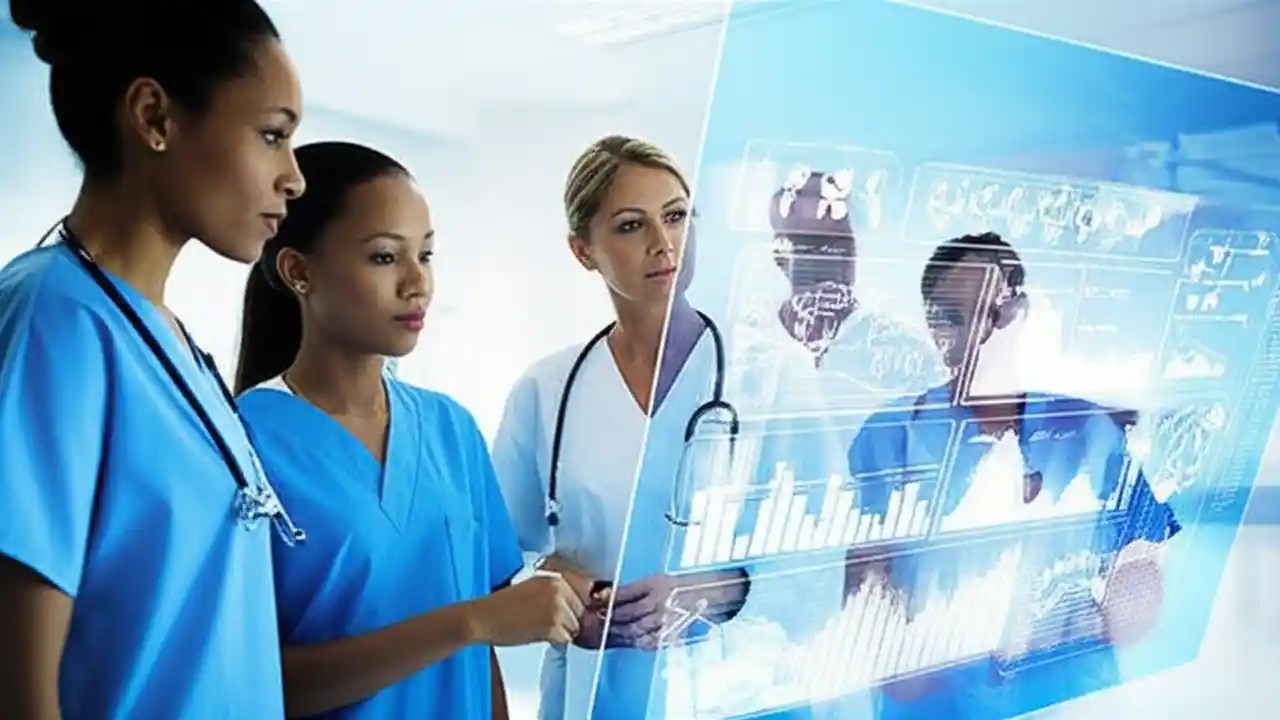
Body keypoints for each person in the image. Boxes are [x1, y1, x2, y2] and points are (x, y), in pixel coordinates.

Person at [0, 2, 306, 717]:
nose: (294, 177)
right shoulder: (55, 319)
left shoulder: (167, 341)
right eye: (271, 135)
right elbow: (17, 684)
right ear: (155, 117)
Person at [232, 141, 587, 719]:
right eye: (383, 258)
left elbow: (484, 650)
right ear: (298, 270)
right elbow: (253, 684)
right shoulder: (242, 444)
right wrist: (467, 623)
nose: (416, 283)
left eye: (425, 256)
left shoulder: (451, 429)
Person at [842, 232, 1182, 719]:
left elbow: (1141, 558)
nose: (970, 335)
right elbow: (866, 578)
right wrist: (905, 657)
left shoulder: (1085, 428)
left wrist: (1094, 625)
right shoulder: (889, 435)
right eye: (949, 318)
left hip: (1066, 696)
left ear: (1018, 315)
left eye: (989, 312)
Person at [492, 135, 768, 720]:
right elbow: (500, 560)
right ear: (582, 250)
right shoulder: (546, 390)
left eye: (676, 216)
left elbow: (821, 556)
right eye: (630, 226)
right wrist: (569, 591)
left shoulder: (769, 378)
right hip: (593, 689)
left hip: (732, 685)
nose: (663, 243)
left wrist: (708, 592)